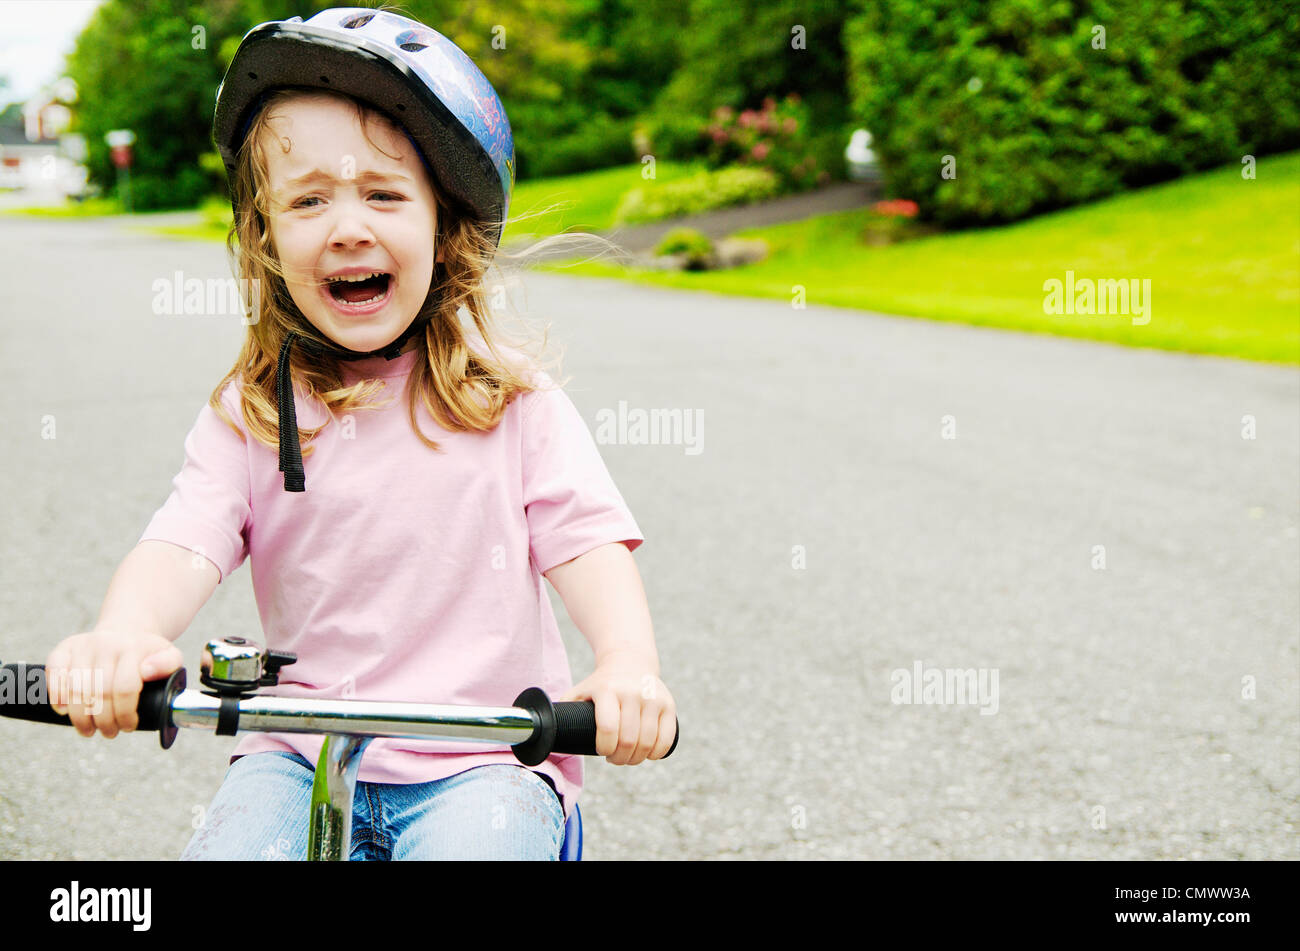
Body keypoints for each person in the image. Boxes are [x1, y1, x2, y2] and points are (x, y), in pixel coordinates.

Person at [42, 6, 676, 861]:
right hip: (295, 751)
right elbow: (183, 539)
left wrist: (627, 664)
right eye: (308, 200)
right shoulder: (252, 414)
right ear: (266, 239)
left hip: (482, 761)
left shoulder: (512, 402)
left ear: (445, 228)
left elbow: (589, 543)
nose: (348, 227)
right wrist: (123, 632)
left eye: (384, 194)